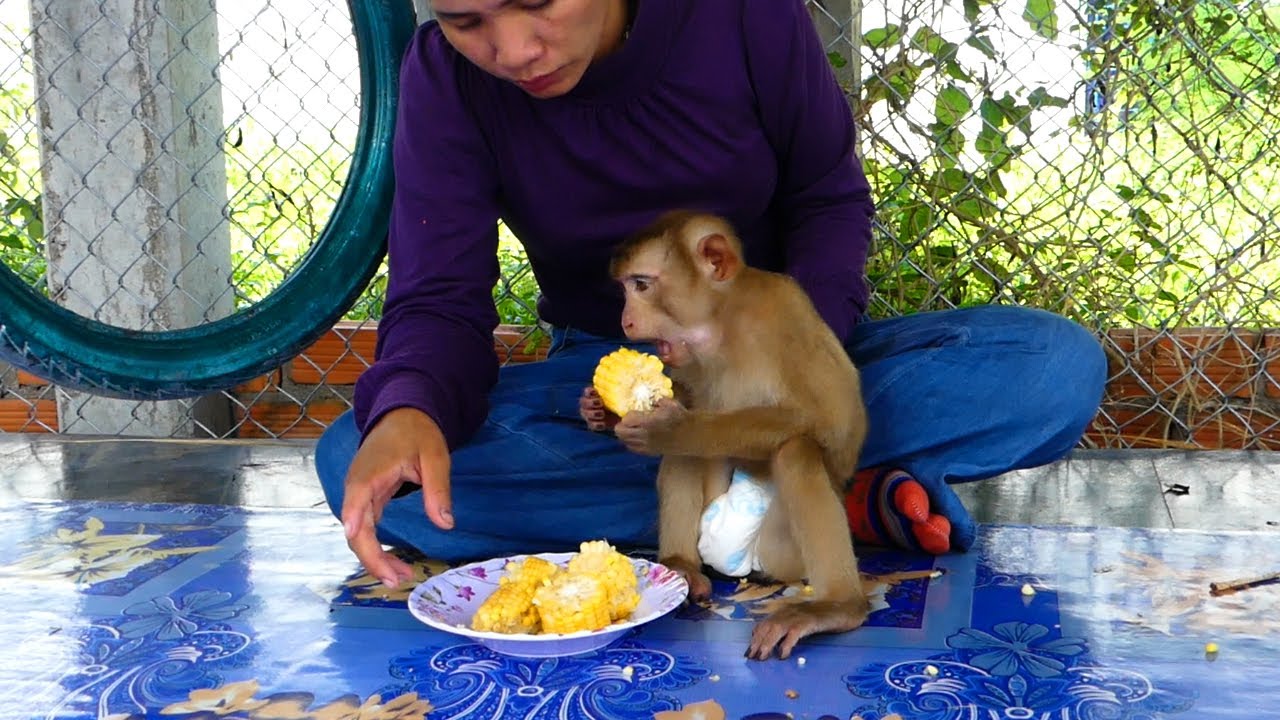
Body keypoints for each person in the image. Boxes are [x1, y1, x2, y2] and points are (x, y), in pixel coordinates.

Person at [314, 0, 1107, 590]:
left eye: (538, 2)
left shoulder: (740, 13)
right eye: (466, 19)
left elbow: (826, 199)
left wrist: (793, 361)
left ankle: (737, 503)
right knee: (355, 461)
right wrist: (411, 408)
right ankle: (831, 498)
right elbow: (441, 294)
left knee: (1050, 367)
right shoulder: (447, 79)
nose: (515, 49)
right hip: (612, 382)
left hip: (786, 352)